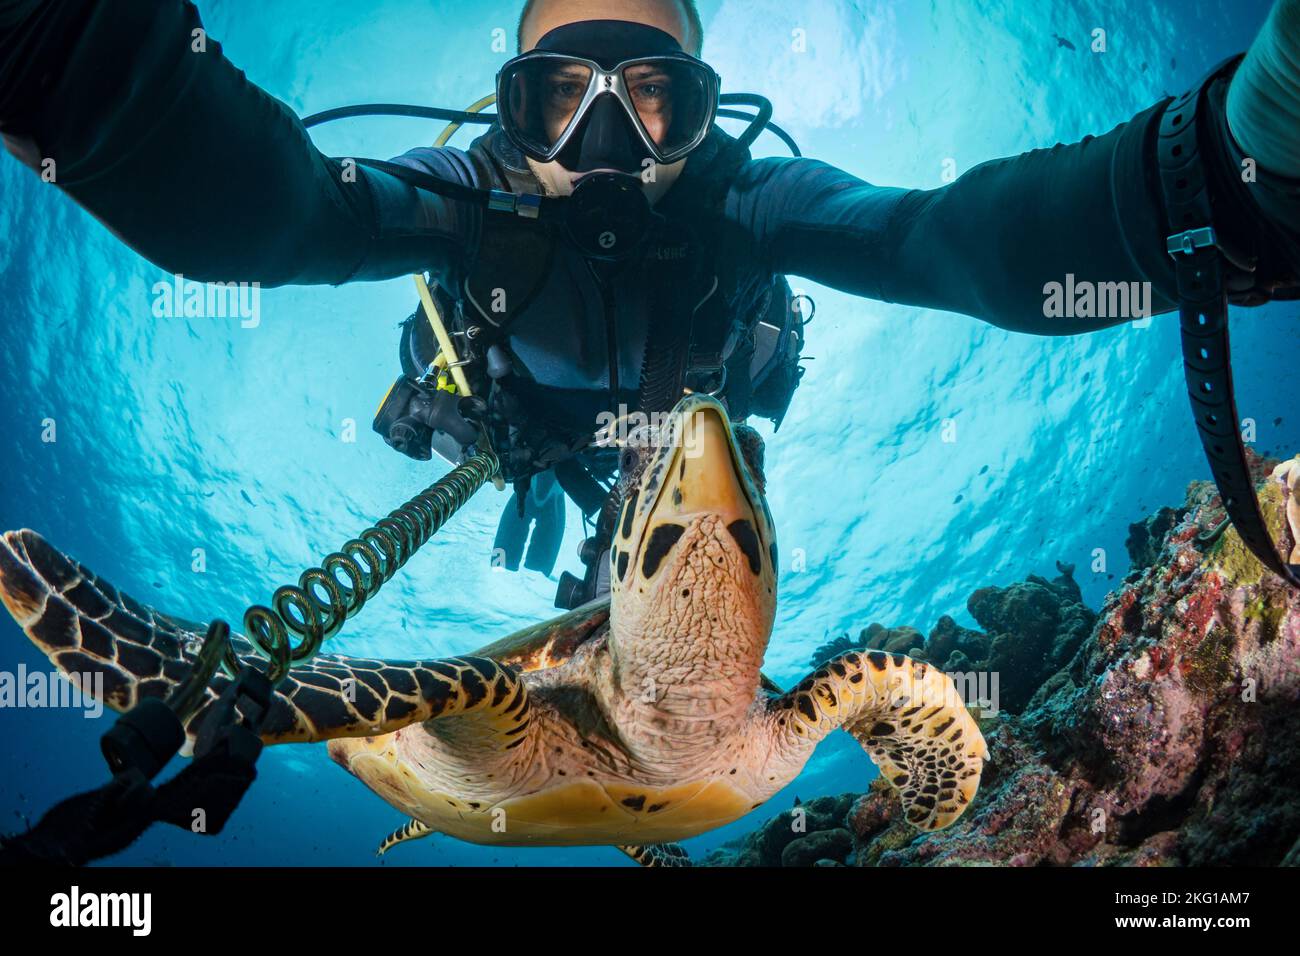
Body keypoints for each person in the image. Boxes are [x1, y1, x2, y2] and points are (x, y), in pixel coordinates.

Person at [2, 0, 1299, 607]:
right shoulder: (472, 197)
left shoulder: (752, 200)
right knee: (576, 531)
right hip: (525, 436)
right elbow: (286, 220)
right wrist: (65, 54)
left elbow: (933, 242)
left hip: (692, 442)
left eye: (654, 93)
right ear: (509, 115)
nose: (609, 130)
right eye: (556, 94)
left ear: (704, 112)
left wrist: (1227, 174)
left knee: (687, 557)